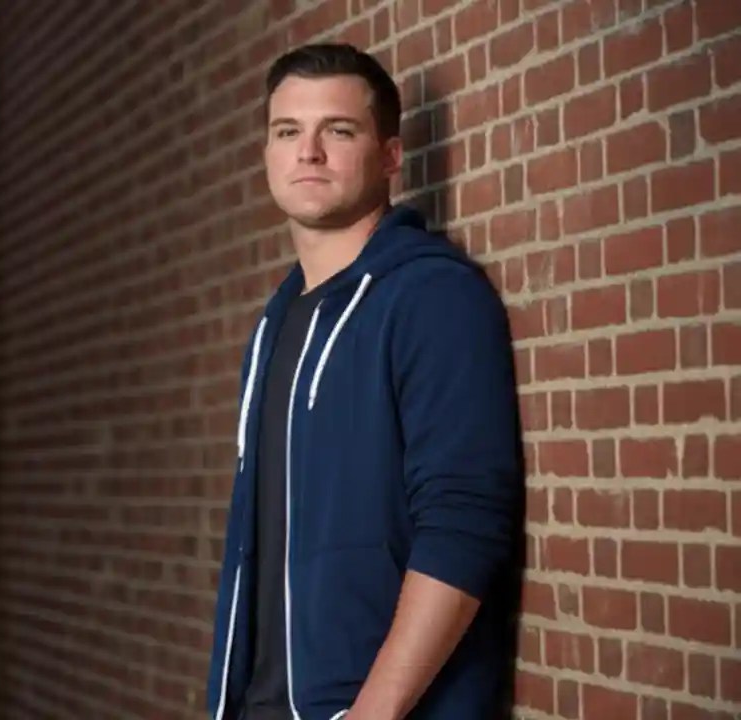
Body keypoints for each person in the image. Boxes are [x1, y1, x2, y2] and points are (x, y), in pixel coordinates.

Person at [205, 43, 523, 720]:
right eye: (287, 132)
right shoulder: (274, 325)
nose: (308, 152)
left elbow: (464, 523)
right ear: (267, 153)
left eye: (338, 131)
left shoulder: (431, 296)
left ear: (389, 157)